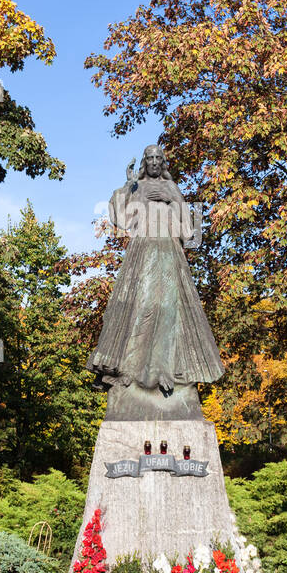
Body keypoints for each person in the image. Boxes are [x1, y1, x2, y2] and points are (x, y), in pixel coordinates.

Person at [88, 145, 223, 397]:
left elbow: (191, 234)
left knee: (170, 310)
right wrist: (128, 186)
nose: (152, 162)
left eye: (157, 158)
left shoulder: (171, 188)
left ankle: (166, 369)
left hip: (170, 255)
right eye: (148, 158)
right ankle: (129, 369)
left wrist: (173, 199)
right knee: (142, 307)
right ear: (144, 162)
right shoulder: (136, 188)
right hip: (143, 253)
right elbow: (120, 218)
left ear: (162, 162)